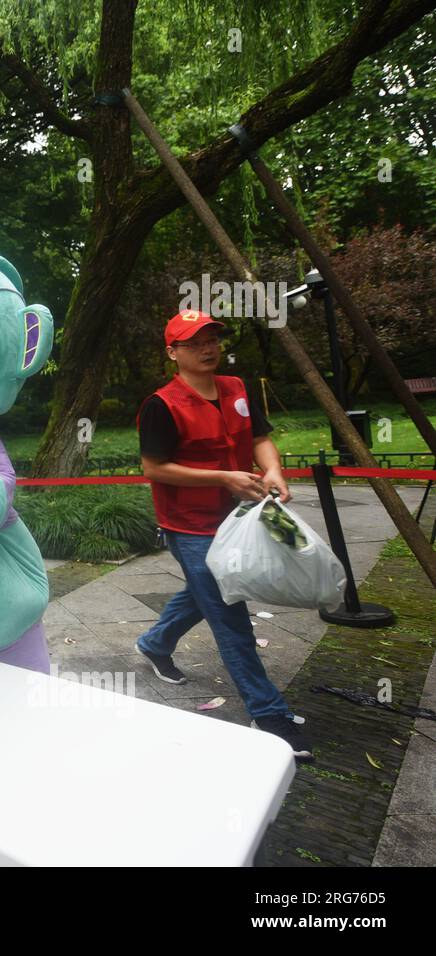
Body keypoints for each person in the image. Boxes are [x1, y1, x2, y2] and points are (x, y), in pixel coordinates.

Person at [135, 311, 311, 762]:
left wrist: (271, 469)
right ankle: (268, 712)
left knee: (206, 592)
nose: (208, 348)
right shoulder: (162, 404)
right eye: (194, 343)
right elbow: (154, 468)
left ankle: (154, 644)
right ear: (173, 352)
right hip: (189, 525)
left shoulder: (237, 387)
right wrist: (223, 478)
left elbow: (259, 438)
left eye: (212, 338)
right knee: (230, 615)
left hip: (245, 514)